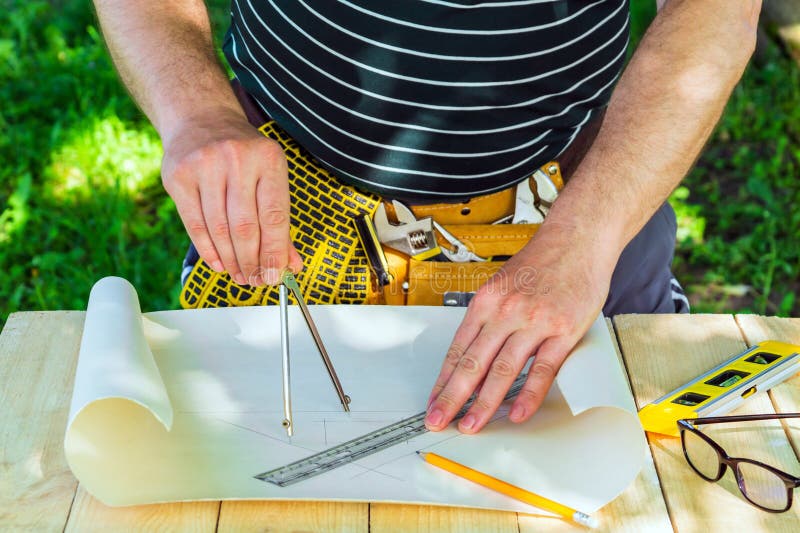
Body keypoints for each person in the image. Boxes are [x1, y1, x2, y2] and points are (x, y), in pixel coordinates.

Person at [92, 0, 761, 435]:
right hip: (289, 204)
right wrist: (195, 111)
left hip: (586, 204)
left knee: (628, 466)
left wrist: (585, 240)